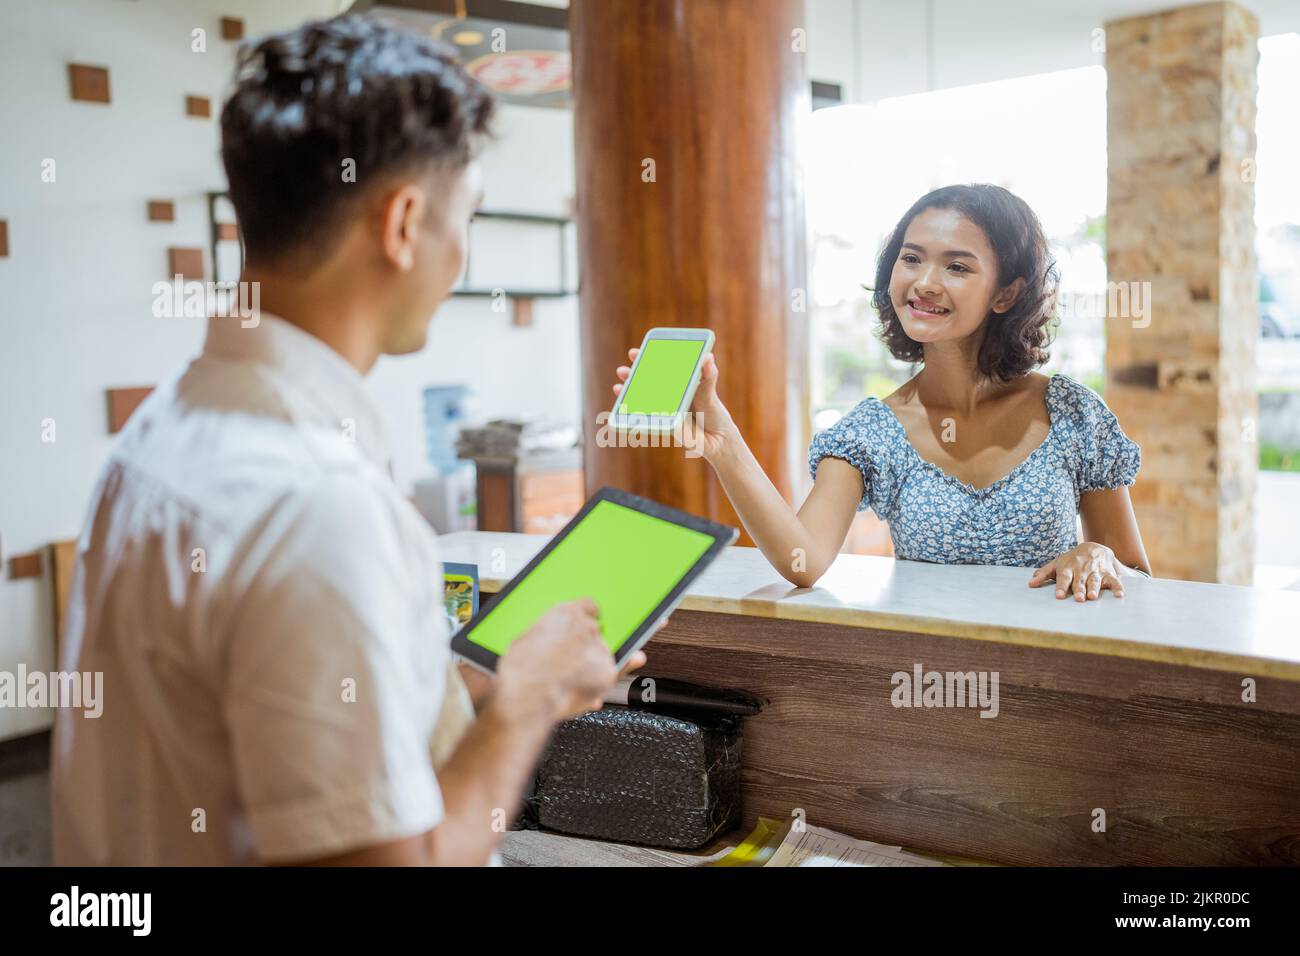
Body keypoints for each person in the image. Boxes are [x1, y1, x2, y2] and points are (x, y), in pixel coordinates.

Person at [52, 14, 642, 866]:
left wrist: (462, 684)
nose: (459, 255)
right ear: (403, 224)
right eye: (464, 217)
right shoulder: (316, 507)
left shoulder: (158, 434)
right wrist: (526, 703)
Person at [613, 184, 1152, 599]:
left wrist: (1099, 555)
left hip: (1057, 682)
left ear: (1007, 293)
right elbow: (803, 562)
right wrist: (720, 442)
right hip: (923, 683)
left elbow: (1137, 575)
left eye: (957, 266)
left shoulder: (1073, 415)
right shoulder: (871, 433)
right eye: (911, 258)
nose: (924, 282)